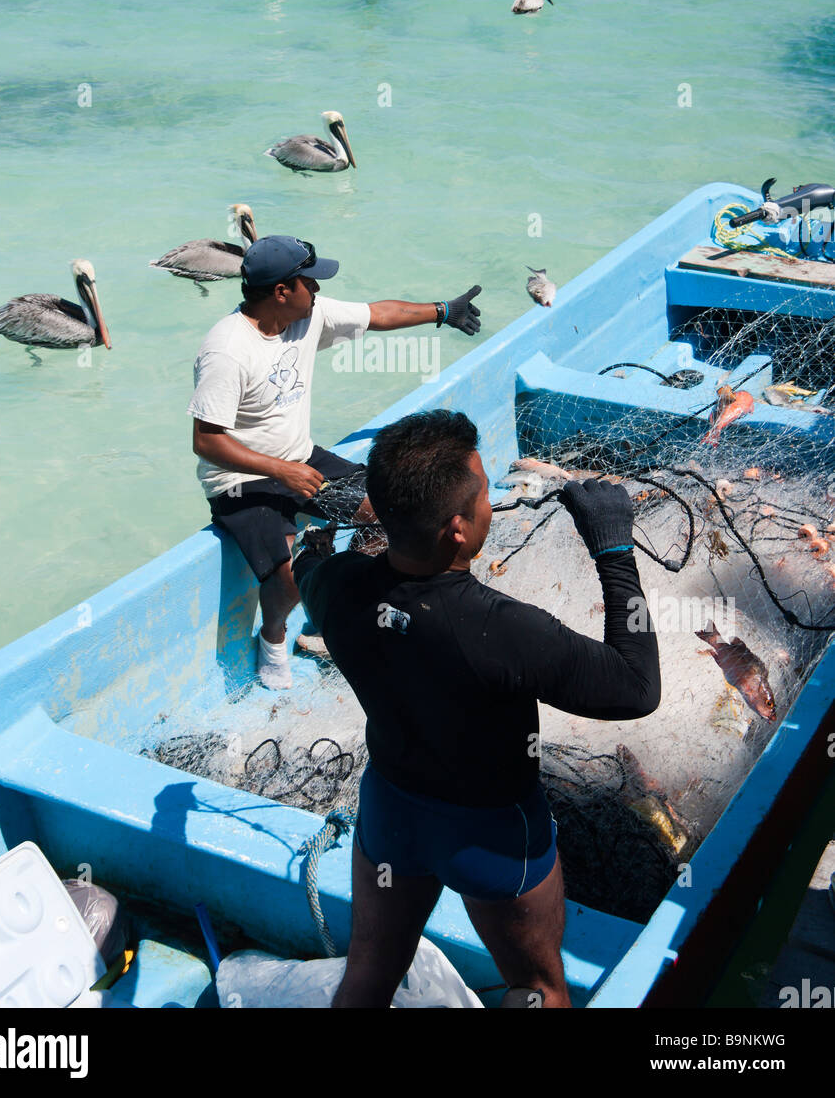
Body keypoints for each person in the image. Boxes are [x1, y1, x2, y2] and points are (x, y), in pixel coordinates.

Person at [292, 409, 660, 1008]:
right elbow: (636, 688)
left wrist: (314, 546)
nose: (491, 501)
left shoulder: (335, 586)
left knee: (368, 975)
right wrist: (615, 550)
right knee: (537, 988)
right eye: (485, 492)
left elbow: (309, 568)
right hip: (492, 835)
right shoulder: (506, 630)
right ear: (458, 529)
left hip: (392, 815)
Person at [187, 234, 482, 689]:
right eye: (309, 282)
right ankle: (272, 637)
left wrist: (443, 310)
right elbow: (206, 441)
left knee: (389, 515)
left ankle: (340, 602)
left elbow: (377, 314)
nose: (318, 289)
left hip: (301, 458)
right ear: (281, 291)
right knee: (287, 575)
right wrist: (280, 471)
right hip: (241, 479)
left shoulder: (308, 315)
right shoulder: (226, 350)